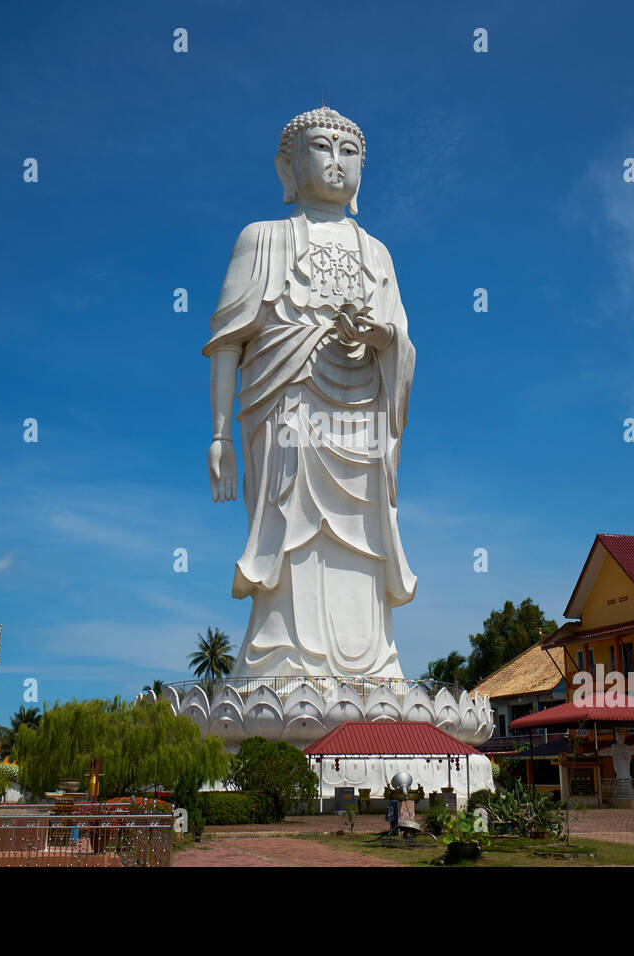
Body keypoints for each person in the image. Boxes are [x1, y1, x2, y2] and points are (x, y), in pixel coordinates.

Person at [206, 107, 417, 679]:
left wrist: (379, 336)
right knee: (290, 525)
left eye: (349, 152)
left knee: (366, 536)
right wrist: (221, 434)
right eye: (320, 147)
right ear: (288, 165)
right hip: (287, 406)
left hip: (363, 415)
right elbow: (228, 342)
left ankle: (373, 664)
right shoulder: (264, 239)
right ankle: (279, 661)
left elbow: (402, 340)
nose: (335, 161)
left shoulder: (377, 252)